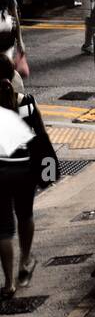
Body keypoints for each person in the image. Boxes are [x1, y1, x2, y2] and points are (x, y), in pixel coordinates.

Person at [0, 79, 40, 297]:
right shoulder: (25, 102)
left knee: (4, 230)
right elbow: (39, 135)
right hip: (25, 169)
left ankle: (9, 284)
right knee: (25, 215)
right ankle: (25, 261)